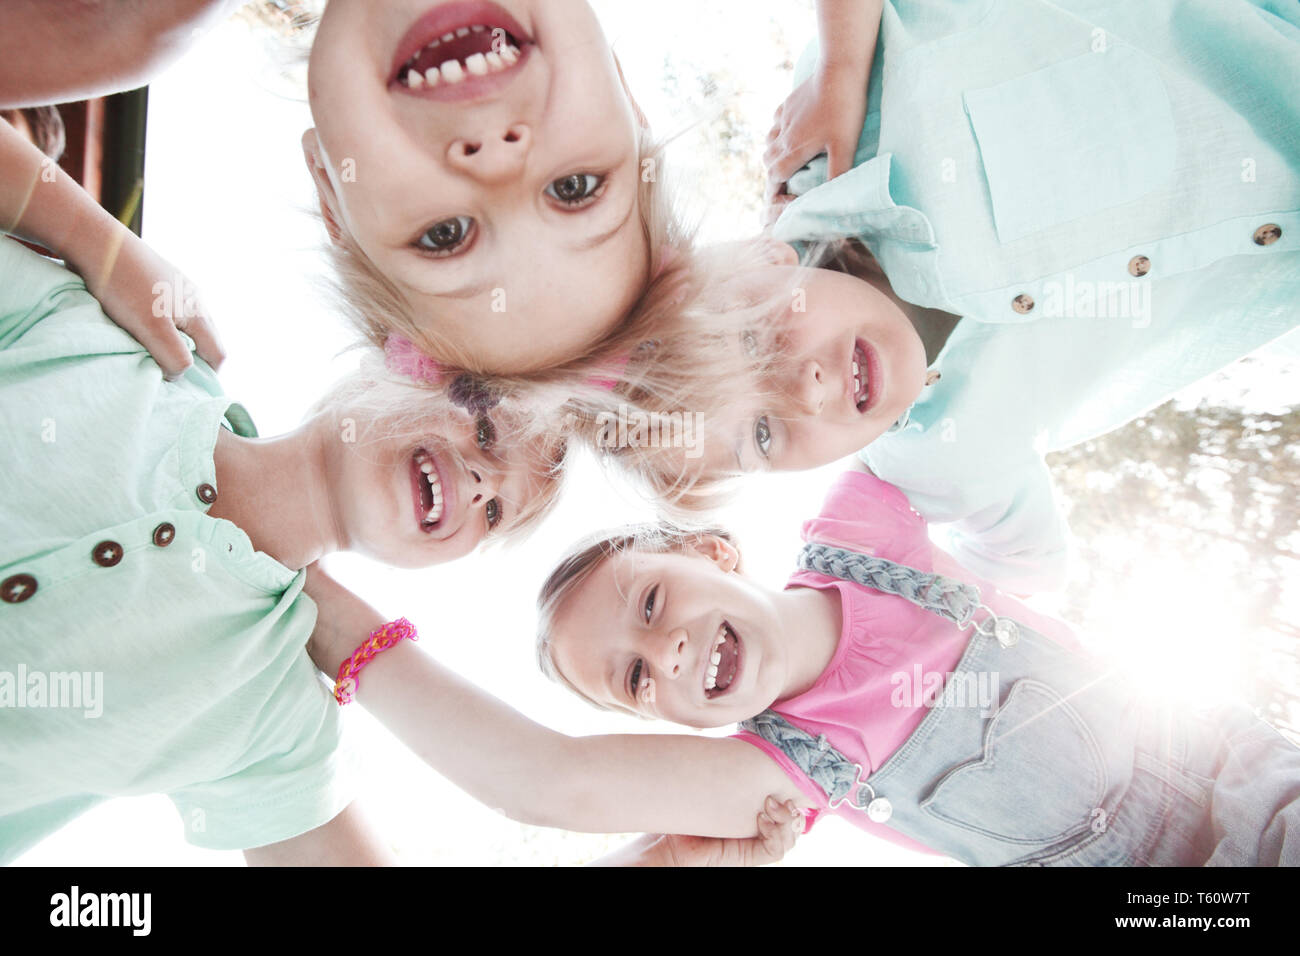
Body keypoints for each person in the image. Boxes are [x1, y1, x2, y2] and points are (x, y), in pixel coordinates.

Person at [583, 0, 1300, 592]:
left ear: (761, 259)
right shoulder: (941, 467)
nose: (806, 389)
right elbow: (1018, 578)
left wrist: (839, 66)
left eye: (755, 340)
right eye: (763, 435)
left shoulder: (845, 126)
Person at [0, 233, 565, 864]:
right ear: (399, 355)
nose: (483, 482)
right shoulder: (103, 336)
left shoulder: (276, 720)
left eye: (495, 512)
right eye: (485, 427)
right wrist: (95, 236)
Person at [529, 462, 1300, 865]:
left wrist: (1027, 544)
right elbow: (554, 785)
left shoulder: (857, 532)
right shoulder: (785, 767)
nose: (663, 653)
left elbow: (944, 401)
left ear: (711, 550)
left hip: (1232, 774)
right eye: (634, 678)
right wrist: (690, 856)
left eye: (653, 604)